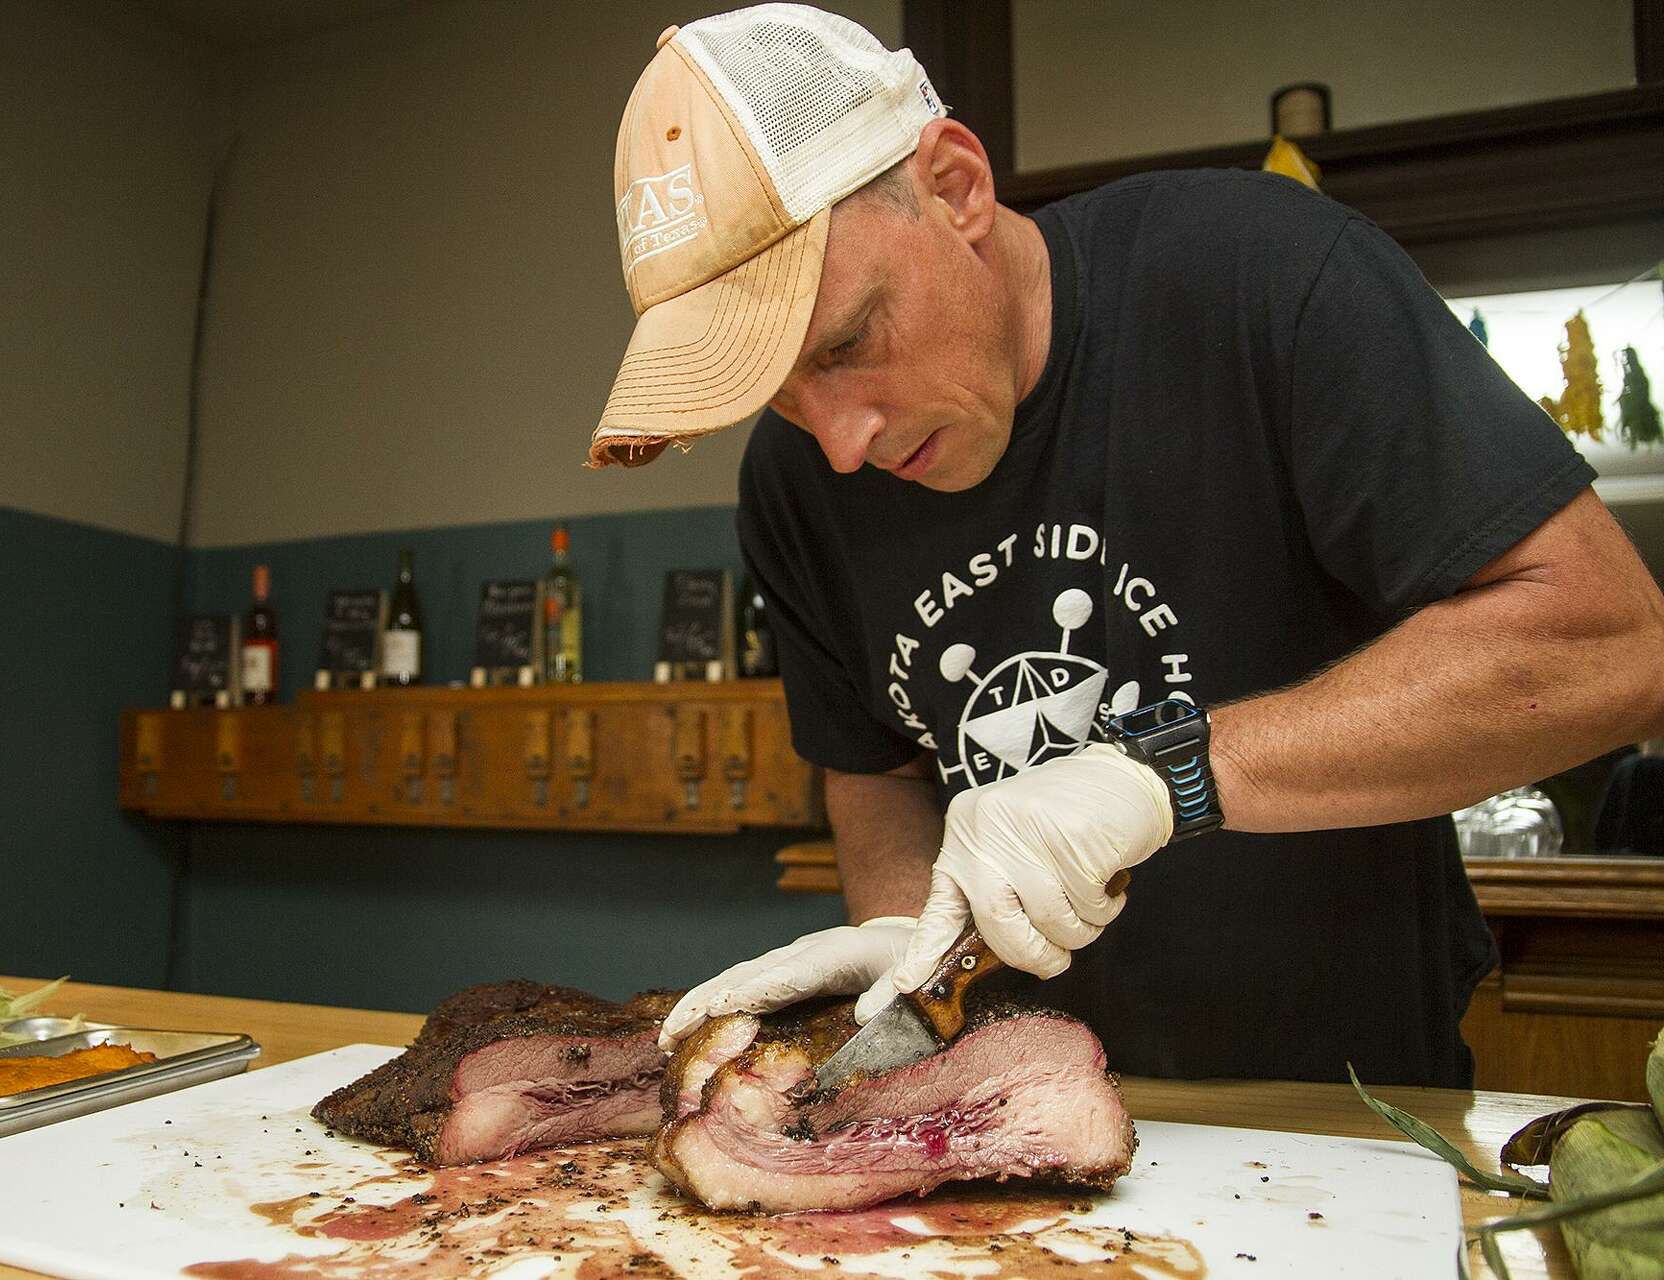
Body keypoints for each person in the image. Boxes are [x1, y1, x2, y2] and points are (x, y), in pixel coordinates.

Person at [587, 5, 1664, 1087]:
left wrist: (1175, 772)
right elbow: (873, 774)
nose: (842, 440)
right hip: (1009, 1122)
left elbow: (1614, 644)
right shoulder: (795, 483)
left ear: (955, 186)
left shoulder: (1262, 278)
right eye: (779, 395)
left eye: (851, 340)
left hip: (1342, 1105)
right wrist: (908, 939)